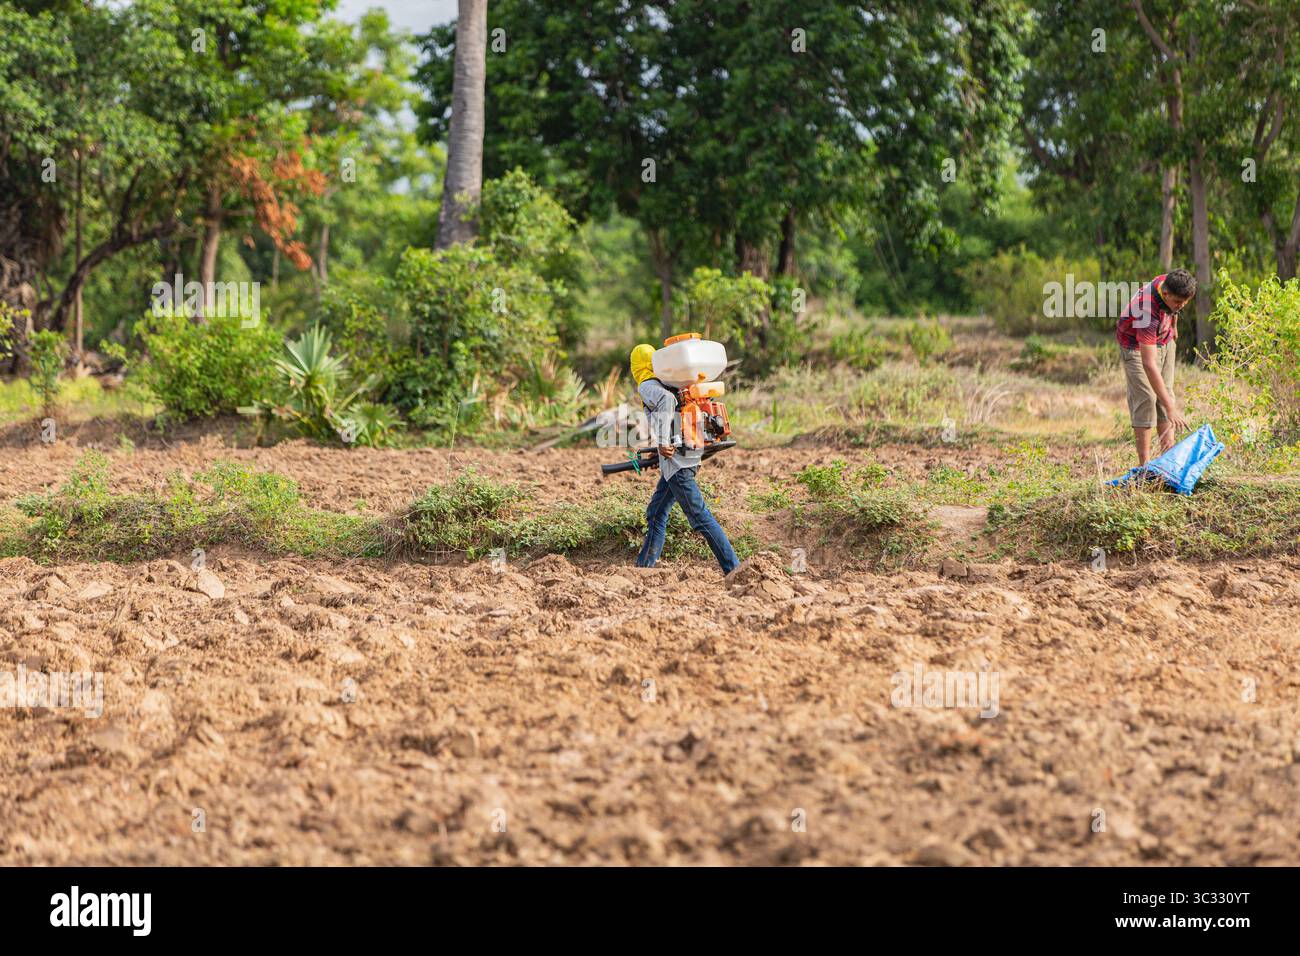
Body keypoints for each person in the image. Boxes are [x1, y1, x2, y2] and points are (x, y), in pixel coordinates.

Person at [629, 343, 739, 575]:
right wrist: (659, 448)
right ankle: (643, 569)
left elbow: (667, 405)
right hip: (687, 456)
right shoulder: (671, 382)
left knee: (700, 517)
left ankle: (733, 569)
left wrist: (662, 442)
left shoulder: (648, 385)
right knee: (656, 513)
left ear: (636, 366)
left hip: (678, 464)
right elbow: (673, 417)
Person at [1116, 268, 1196, 465]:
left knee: (1165, 394)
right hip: (1135, 345)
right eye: (1178, 302)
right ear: (1166, 294)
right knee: (1147, 398)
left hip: (1164, 339)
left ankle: (1169, 463)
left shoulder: (1169, 283)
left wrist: (1174, 326)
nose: (1181, 306)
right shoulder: (1145, 311)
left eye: (1185, 302)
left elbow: (1175, 308)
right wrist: (1172, 409)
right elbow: (1148, 363)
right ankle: (1145, 467)